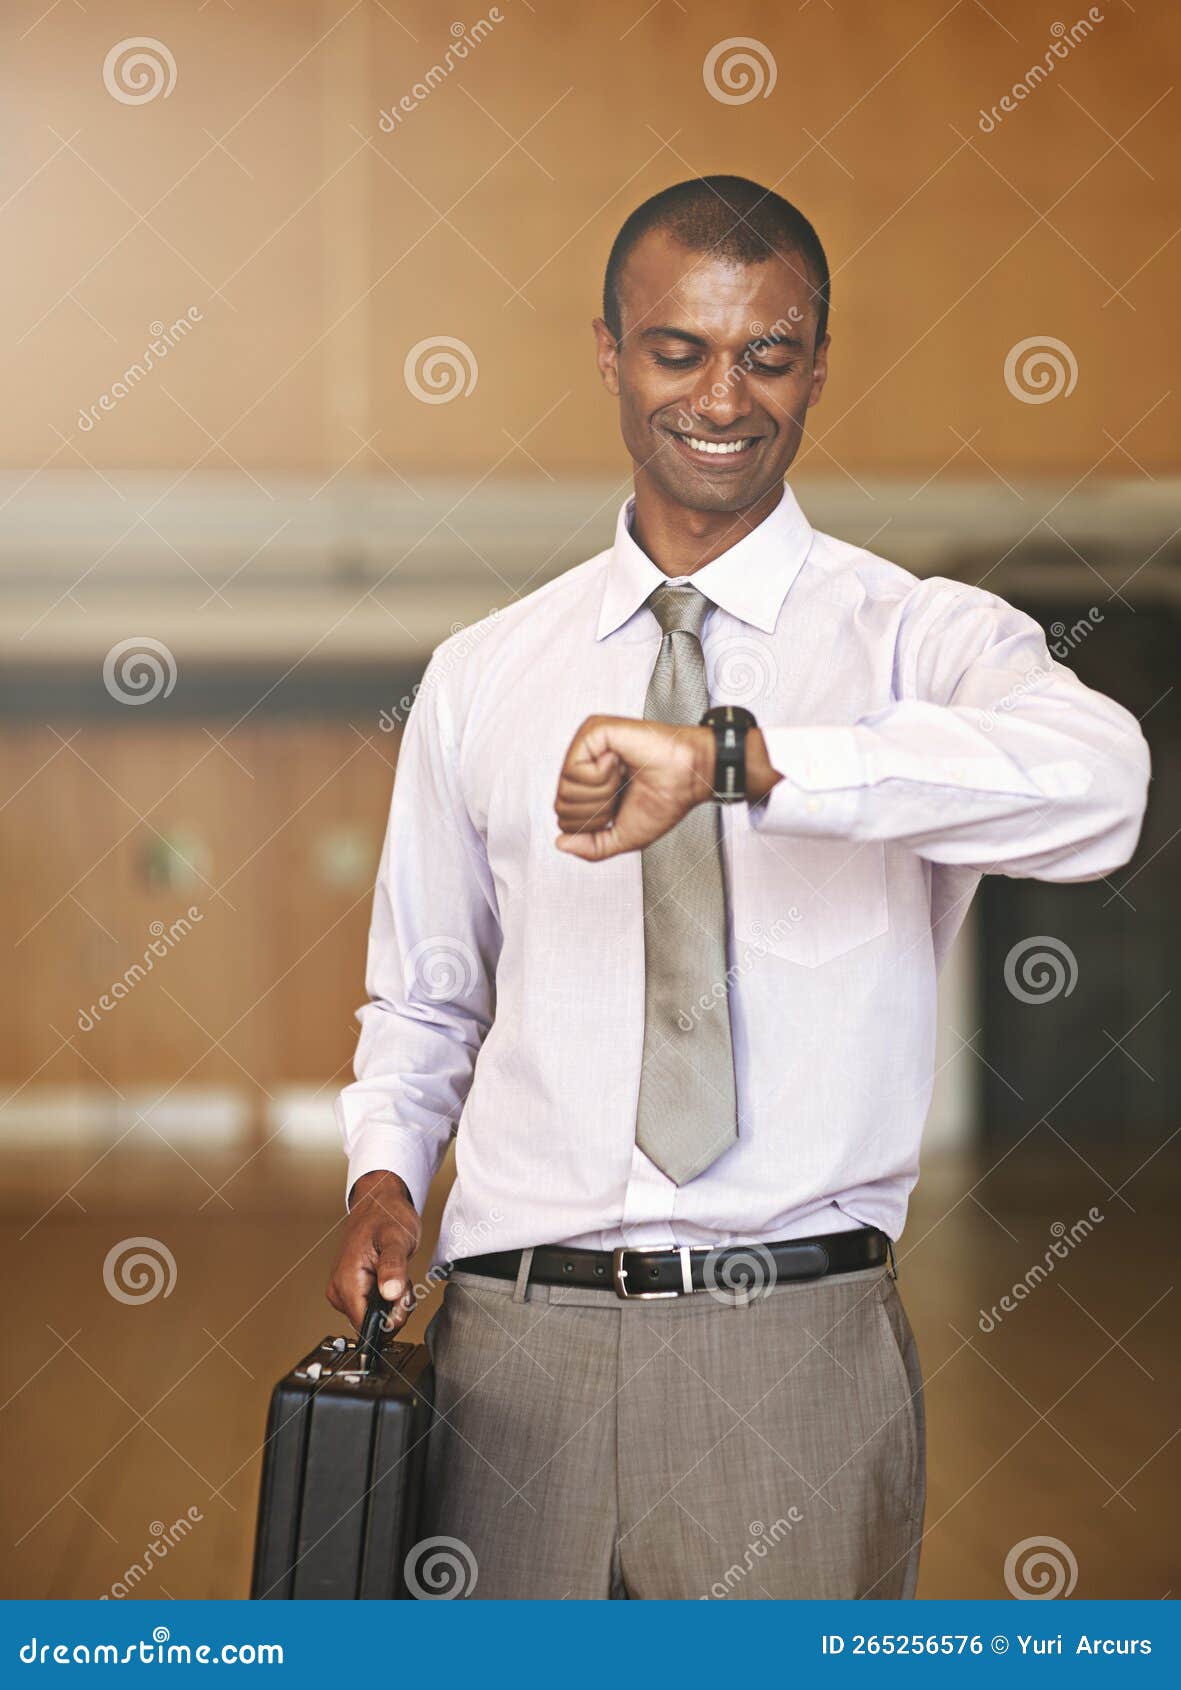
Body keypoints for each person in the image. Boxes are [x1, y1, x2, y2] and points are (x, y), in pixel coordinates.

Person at [326, 176, 1150, 1599]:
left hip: (792, 1351)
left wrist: (744, 761)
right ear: (607, 352)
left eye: (767, 353)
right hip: (513, 1346)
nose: (724, 394)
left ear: (817, 363)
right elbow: (426, 993)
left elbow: (1102, 787)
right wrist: (383, 1172)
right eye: (677, 349)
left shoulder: (917, 636)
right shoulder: (483, 673)